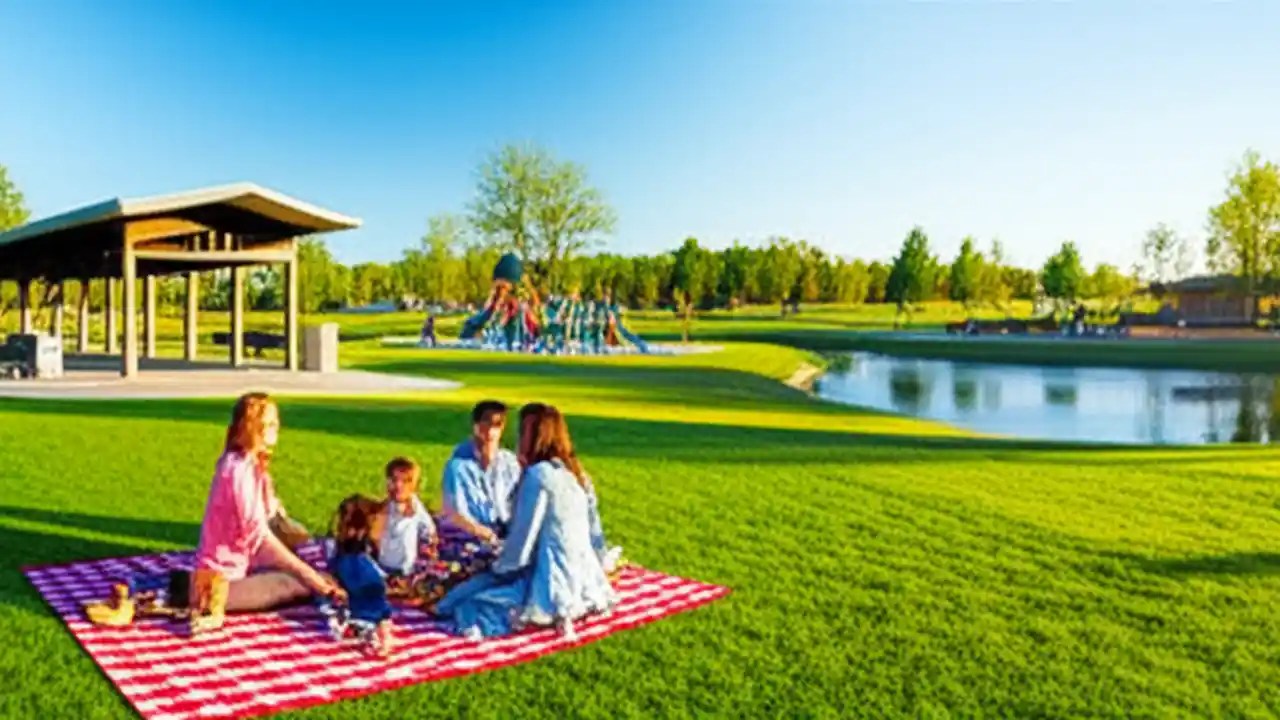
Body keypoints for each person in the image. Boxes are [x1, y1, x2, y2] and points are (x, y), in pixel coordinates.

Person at [435, 403, 616, 639]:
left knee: (461, 605)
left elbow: (520, 548)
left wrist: (497, 566)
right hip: (585, 577)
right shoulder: (573, 473)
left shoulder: (538, 476)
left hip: (550, 577)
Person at [194, 393, 342, 615]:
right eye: (270, 423)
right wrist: (310, 576)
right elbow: (259, 541)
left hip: (243, 567)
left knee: (312, 572)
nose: (277, 427)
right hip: (221, 580)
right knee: (301, 583)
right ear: (253, 427)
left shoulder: (249, 464)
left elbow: (272, 516)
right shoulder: (236, 470)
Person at [441, 400, 521, 543]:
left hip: (505, 532)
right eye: (487, 422)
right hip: (471, 536)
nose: (491, 430)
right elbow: (456, 513)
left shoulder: (510, 463)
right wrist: (485, 534)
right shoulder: (458, 467)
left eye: (497, 424)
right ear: (475, 425)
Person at [325, 494, 395, 658]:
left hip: (366, 609)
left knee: (378, 615)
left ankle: (374, 635)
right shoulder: (354, 562)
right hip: (362, 610)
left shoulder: (356, 560)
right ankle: (370, 635)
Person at [378, 457, 437, 577]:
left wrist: (428, 549)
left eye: (405, 482)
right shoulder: (384, 506)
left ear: (413, 486)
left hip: (404, 568)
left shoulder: (415, 508)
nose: (398, 486)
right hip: (383, 564)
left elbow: (429, 530)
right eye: (394, 480)